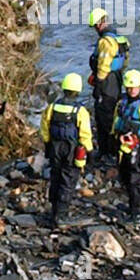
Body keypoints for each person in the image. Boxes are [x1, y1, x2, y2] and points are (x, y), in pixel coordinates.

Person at [40, 72, 93, 227]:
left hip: (55, 148)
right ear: (78, 90)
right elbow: (85, 134)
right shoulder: (80, 111)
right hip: (71, 150)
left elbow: (44, 128)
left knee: (55, 177)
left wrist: (48, 144)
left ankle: (54, 211)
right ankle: (61, 216)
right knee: (68, 181)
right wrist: (89, 153)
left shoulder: (52, 107)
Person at [112, 69, 140, 225]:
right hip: (123, 145)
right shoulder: (122, 101)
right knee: (125, 176)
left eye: (134, 87)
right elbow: (116, 120)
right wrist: (114, 136)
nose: (131, 90)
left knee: (135, 179)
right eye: (129, 88)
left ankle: (138, 214)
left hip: (138, 146)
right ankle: (132, 207)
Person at [88, 6, 128, 160]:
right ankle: (113, 149)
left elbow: (103, 66)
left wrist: (98, 85)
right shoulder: (119, 37)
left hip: (107, 82)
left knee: (104, 116)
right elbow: (125, 61)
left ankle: (107, 151)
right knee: (114, 113)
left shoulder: (106, 42)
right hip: (116, 79)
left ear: (99, 24)